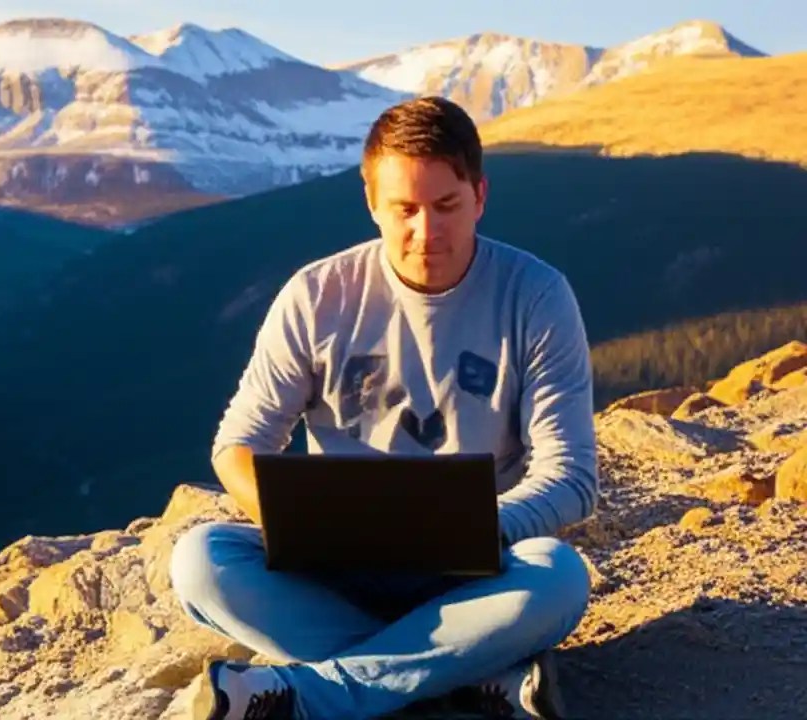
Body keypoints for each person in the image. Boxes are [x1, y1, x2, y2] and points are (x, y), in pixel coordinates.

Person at [169, 96, 598, 720]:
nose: (427, 231)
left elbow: (572, 477)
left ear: (480, 195)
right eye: (405, 209)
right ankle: (469, 673)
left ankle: (308, 698)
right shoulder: (316, 296)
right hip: (336, 570)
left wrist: (474, 528)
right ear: (372, 203)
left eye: (447, 206)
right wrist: (303, 527)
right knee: (201, 562)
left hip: (475, 572)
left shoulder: (536, 296)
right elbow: (239, 443)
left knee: (557, 576)